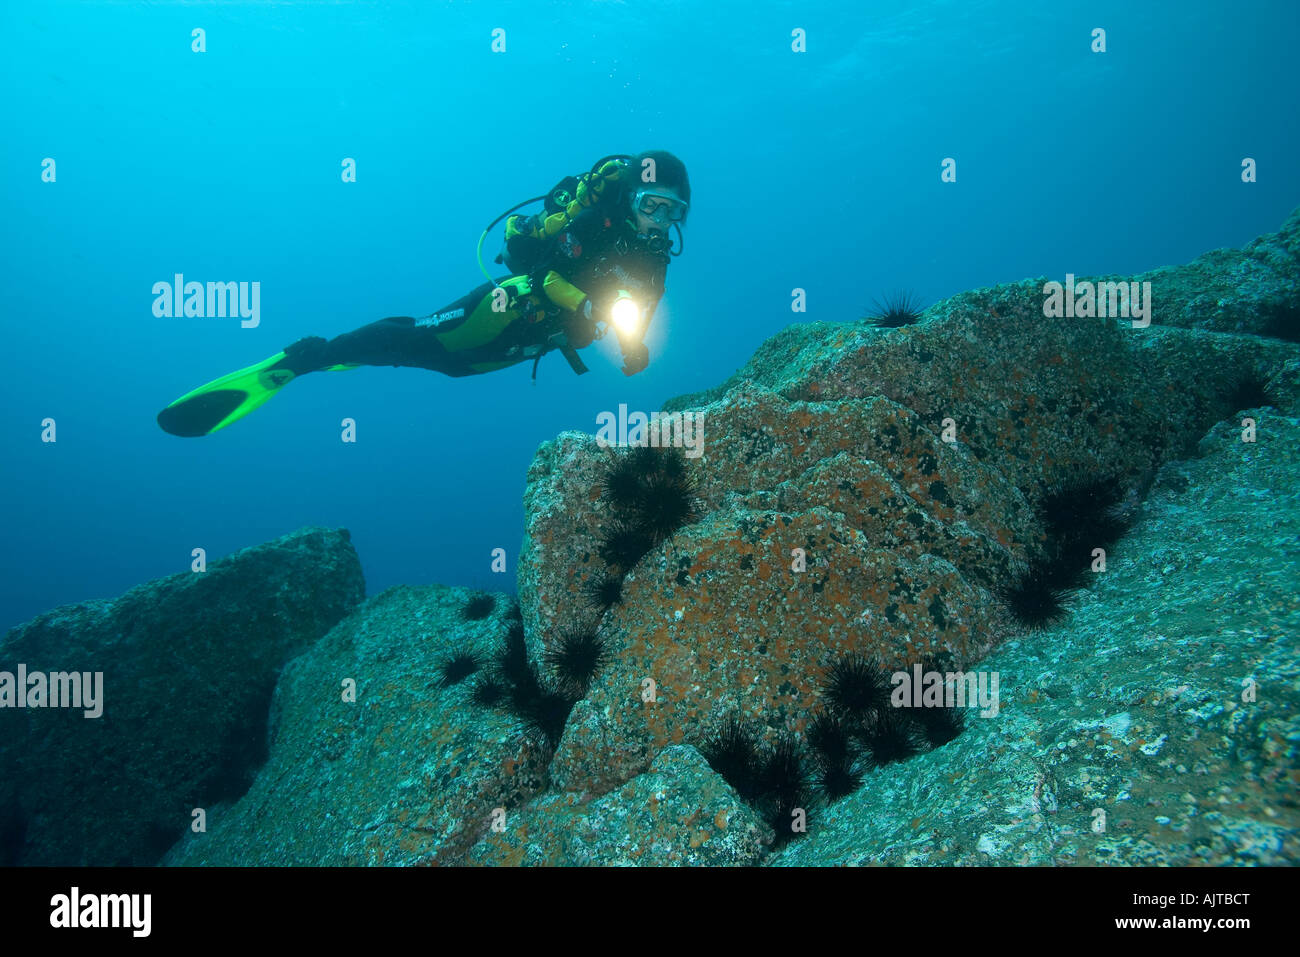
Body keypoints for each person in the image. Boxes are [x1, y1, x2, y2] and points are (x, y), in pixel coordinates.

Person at [156, 150, 690, 437]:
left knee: (446, 366)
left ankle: (361, 354)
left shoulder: (655, 256)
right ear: (630, 197)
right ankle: (308, 358)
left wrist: (635, 343)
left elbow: (646, 305)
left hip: (534, 342)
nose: (658, 221)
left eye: (672, 211)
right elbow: (547, 276)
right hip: (510, 305)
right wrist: (588, 306)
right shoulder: (590, 221)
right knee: (423, 342)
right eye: (652, 205)